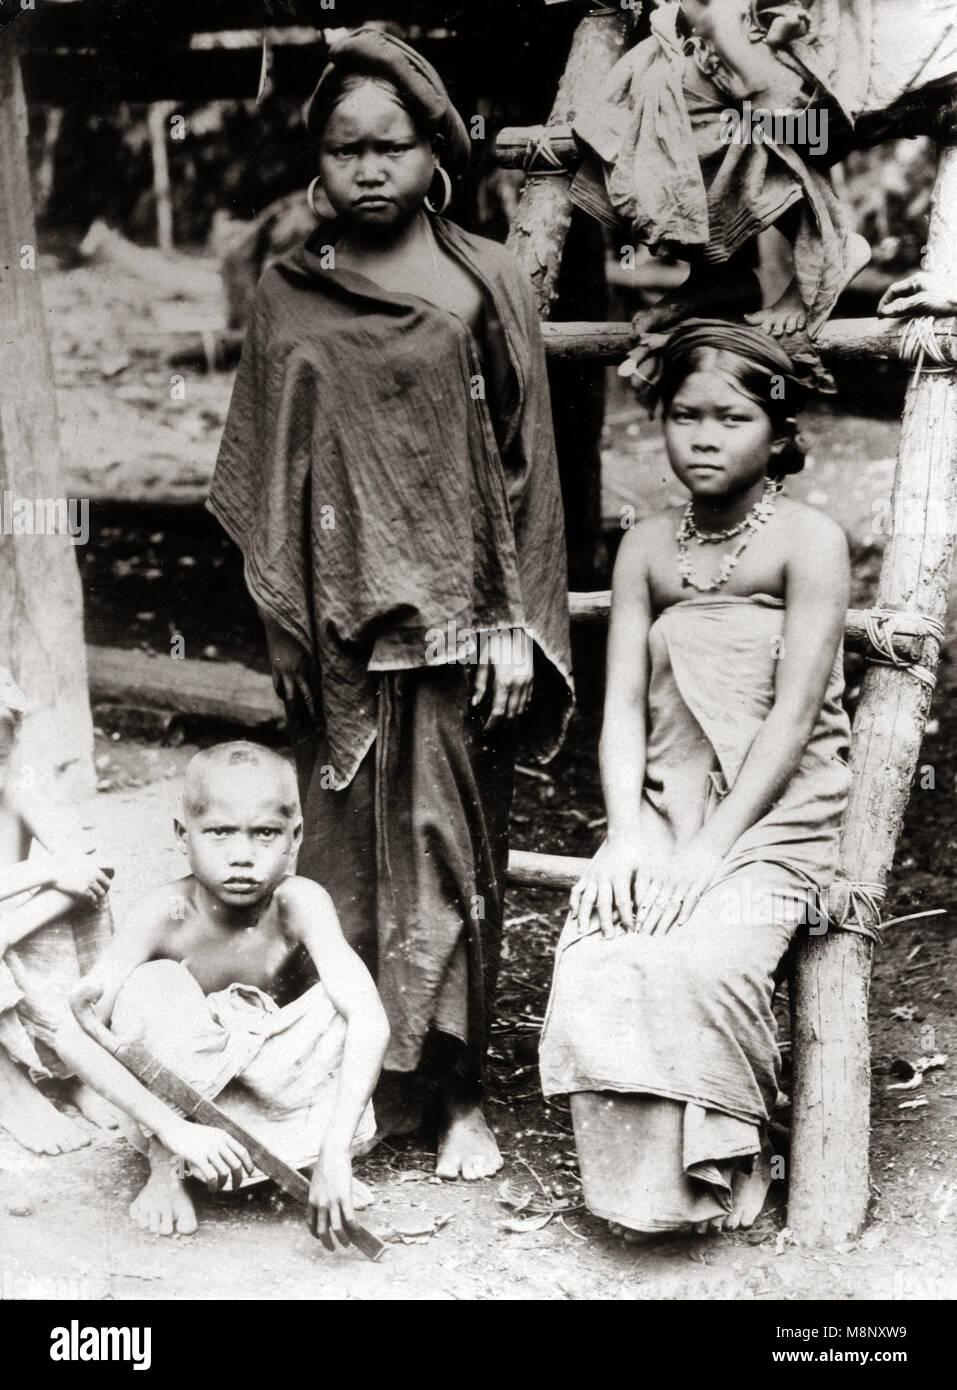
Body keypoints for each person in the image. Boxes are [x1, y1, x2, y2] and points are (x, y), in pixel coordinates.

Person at [209, 27, 573, 1181]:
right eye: (345, 148)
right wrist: (280, 624)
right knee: (341, 865)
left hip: (465, 630)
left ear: (437, 150)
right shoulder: (288, 290)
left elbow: (530, 467)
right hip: (336, 629)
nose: (371, 169)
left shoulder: (487, 281)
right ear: (318, 160)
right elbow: (266, 461)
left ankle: (458, 1092)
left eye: (394, 146)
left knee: (453, 860)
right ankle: (359, 1085)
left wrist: (518, 622)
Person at [539, 319, 852, 1237]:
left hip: (774, 820)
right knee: (600, 944)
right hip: (664, 808)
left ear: (778, 432)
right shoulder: (643, 546)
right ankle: (635, 1194)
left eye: (731, 417)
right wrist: (629, 836)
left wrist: (712, 854)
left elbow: (794, 718)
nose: (705, 437)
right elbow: (623, 711)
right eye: (684, 416)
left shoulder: (808, 540)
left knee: (708, 959)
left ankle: (723, 1162)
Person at [55, 742, 390, 1240]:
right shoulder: (162, 911)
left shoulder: (298, 902)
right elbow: (71, 1034)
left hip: (272, 1093)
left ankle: (312, 1161)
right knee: (151, 986)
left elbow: (369, 1019)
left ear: (295, 837)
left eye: (265, 835)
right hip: (182, 1110)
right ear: (181, 835)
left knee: (343, 1007)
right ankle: (168, 1169)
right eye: (218, 833)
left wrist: (336, 1151)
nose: (242, 857)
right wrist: (172, 1132)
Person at [570, 0, 957, 341]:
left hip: (812, 58)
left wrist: (746, 55)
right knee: (649, 75)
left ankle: (830, 249)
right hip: (757, 44)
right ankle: (716, 271)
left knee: (711, 97)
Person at [0, 665, 116, 1155]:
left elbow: (95, 861)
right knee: (61, 878)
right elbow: (55, 870)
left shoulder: (13, 789)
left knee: (89, 893)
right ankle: (10, 1089)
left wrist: (11, 929)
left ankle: (71, 1064)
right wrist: (44, 873)